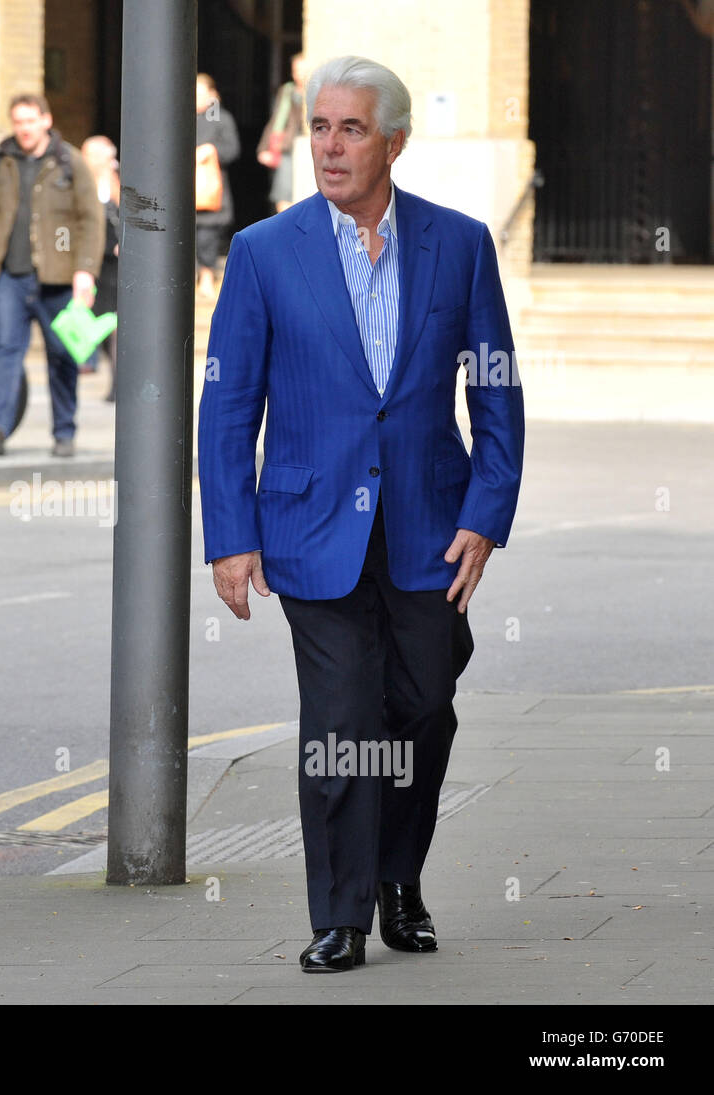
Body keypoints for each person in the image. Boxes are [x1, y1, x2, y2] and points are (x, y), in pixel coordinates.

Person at [198, 55, 524, 972]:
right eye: (319, 129)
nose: (330, 147)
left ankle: (398, 876)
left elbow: (495, 389)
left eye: (349, 130)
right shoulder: (265, 251)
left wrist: (487, 512)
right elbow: (228, 405)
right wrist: (232, 537)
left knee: (425, 708)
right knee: (342, 718)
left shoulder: (459, 245)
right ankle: (339, 913)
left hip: (432, 525)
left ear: (394, 141)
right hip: (309, 529)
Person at [0, 93, 104, 458]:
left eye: (30, 120)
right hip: (8, 276)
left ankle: (64, 432)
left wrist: (85, 271)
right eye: (18, 121)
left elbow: (91, 220)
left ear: (46, 120)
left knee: (61, 354)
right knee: (6, 348)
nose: (24, 128)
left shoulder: (68, 161)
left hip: (57, 277)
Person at [80, 135, 120, 399]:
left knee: (118, 325)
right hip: (94, 266)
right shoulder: (81, 185)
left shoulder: (122, 183)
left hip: (117, 266)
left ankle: (119, 385)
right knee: (102, 326)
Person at [194, 73, 239, 296]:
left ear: (213, 95)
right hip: (187, 190)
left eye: (201, 93)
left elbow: (232, 150)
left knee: (207, 236)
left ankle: (207, 275)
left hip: (210, 188)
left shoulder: (221, 118)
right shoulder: (181, 117)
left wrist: (210, 150)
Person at [257, 53, 310, 213]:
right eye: (296, 70)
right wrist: (264, 148)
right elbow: (276, 119)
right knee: (283, 197)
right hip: (287, 148)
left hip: (307, 149)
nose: (299, 74)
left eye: (303, 70)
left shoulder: (318, 91)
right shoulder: (287, 91)